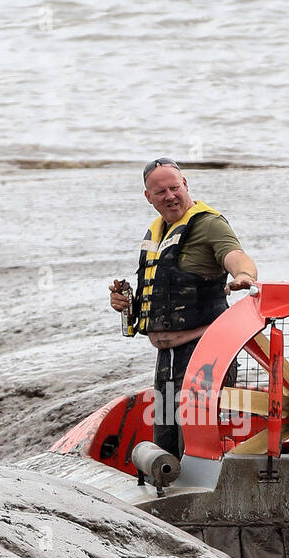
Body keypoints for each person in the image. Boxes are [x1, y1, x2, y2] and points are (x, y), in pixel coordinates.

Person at [109, 157, 258, 457]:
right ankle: (166, 497)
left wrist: (244, 276)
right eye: (161, 192)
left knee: (196, 442)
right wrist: (126, 304)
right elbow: (165, 293)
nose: (170, 196)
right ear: (148, 197)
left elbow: (235, 255)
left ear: (186, 185)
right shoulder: (158, 232)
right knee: (165, 441)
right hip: (167, 359)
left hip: (206, 354)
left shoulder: (209, 224)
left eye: (174, 187)